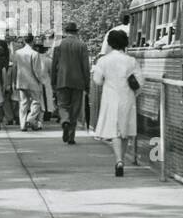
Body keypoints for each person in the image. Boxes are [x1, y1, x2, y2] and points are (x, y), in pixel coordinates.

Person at [91, 28, 142, 176]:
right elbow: (139, 82)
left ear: (110, 43)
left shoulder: (103, 60)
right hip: (127, 98)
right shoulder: (131, 61)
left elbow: (98, 81)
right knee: (125, 130)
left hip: (110, 98)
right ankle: (122, 160)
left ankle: (118, 160)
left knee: (114, 130)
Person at [51, 21, 91, 145]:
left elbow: (54, 66)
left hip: (62, 81)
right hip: (78, 82)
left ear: (65, 32)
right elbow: (85, 66)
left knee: (62, 105)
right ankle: (71, 136)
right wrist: (87, 83)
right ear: (76, 32)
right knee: (75, 109)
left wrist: (53, 81)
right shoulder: (82, 45)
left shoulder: (59, 45)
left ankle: (64, 121)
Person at [12, 33, 47, 131]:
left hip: (21, 81)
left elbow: (14, 68)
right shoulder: (35, 54)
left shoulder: (17, 53)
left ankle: (22, 125)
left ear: (24, 41)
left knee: (23, 103)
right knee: (36, 102)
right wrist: (42, 80)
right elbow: (37, 71)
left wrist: (14, 81)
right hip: (33, 82)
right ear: (33, 41)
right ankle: (30, 119)